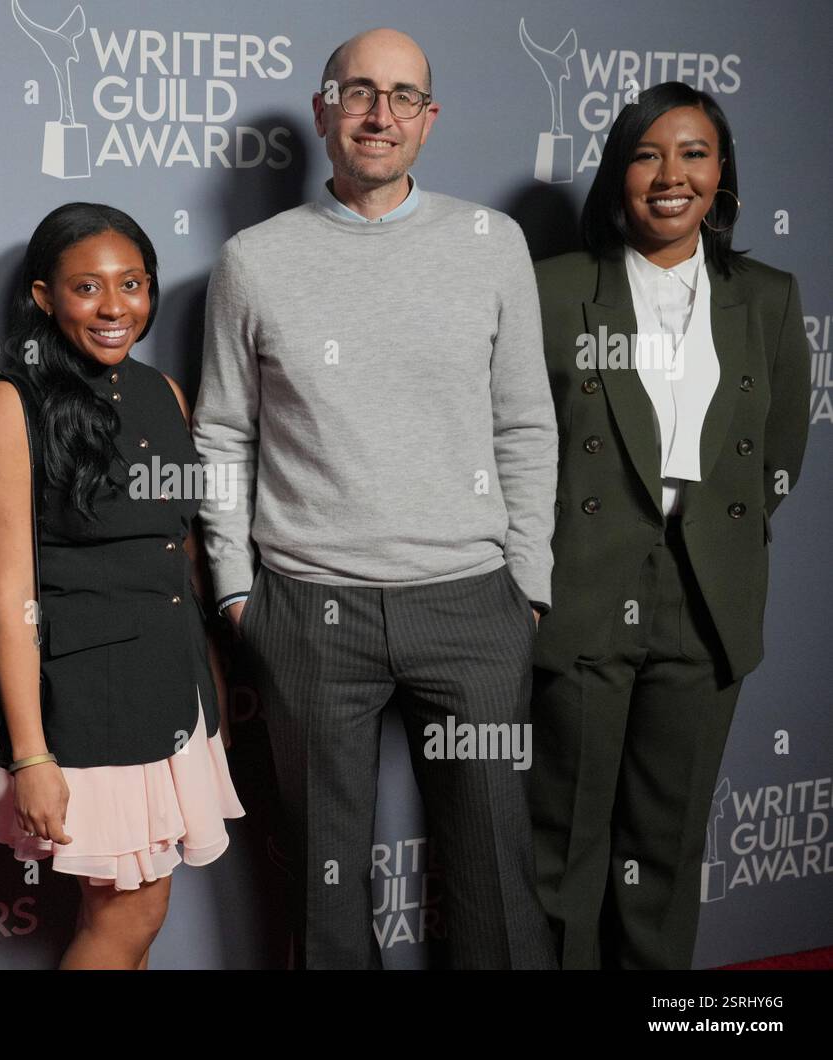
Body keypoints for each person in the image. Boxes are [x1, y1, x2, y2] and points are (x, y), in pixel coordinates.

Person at [192, 28, 558, 969]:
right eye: (357, 92)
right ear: (324, 111)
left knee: (494, 876)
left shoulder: (492, 245)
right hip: (312, 612)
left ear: (429, 120)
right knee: (322, 880)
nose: (378, 114)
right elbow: (225, 432)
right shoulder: (253, 259)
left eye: (402, 96)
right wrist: (238, 589)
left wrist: (528, 582)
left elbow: (525, 423)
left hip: (474, 604)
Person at [528, 82, 810, 969]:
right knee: (562, 846)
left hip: (706, 595)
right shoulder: (555, 289)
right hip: (583, 585)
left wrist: (713, 534)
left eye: (694, 153)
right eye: (648, 153)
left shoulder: (766, 296)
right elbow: (518, 446)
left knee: (666, 847)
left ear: (722, 175)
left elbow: (780, 451)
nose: (671, 174)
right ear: (619, 174)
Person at [0, 202, 244, 971]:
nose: (116, 307)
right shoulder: (8, 406)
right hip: (86, 706)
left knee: (129, 918)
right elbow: (9, 596)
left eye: (133, 284)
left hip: (170, 699)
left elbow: (178, 557)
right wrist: (30, 757)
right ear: (45, 297)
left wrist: (206, 695)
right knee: (133, 911)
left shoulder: (165, 394)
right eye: (87, 288)